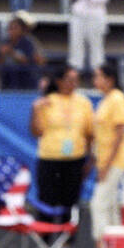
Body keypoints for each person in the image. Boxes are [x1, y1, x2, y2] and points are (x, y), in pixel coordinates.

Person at [82, 63, 124, 248]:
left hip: (116, 161)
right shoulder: (106, 100)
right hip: (105, 160)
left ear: (110, 79)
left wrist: (107, 164)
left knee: (98, 204)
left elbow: (120, 134)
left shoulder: (118, 99)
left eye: (98, 76)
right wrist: (95, 161)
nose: (95, 81)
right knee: (109, 206)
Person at [29, 65, 93, 223]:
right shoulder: (47, 101)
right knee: (46, 199)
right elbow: (37, 132)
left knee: (71, 201)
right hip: (50, 158)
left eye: (76, 80)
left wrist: (90, 160)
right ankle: (45, 242)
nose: (73, 84)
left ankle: (67, 242)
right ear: (58, 81)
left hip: (75, 158)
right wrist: (35, 110)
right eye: (69, 80)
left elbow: (90, 134)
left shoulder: (84, 103)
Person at [68, 0, 112, 73]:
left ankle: (98, 75)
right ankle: (75, 74)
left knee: (96, 48)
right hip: (78, 14)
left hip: (95, 16)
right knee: (76, 46)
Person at [0, 12, 44, 90]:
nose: (11, 31)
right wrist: (2, 55)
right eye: (10, 28)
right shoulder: (3, 42)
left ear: (21, 30)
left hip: (27, 82)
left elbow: (29, 61)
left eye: (14, 28)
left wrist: (11, 52)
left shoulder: (28, 43)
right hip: (7, 82)